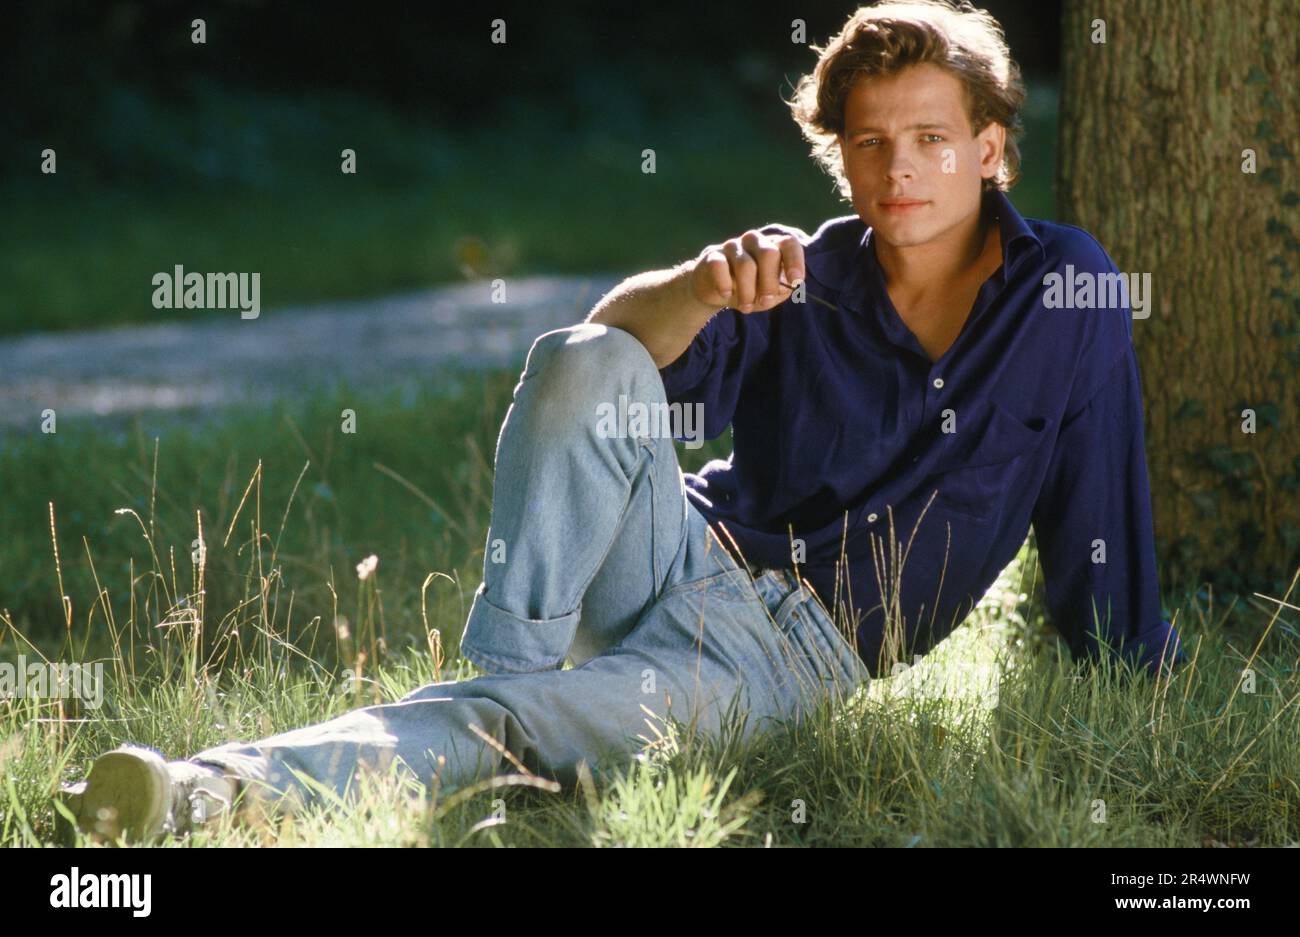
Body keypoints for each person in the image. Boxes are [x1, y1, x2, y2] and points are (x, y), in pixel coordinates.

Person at [60, 0, 1185, 844]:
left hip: (788, 653)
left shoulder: (1060, 292)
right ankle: (507, 665)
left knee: (528, 729)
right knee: (585, 357)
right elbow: (597, 377)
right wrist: (701, 282)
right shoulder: (801, 273)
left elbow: (1098, 488)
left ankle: (205, 791)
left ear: (990, 149)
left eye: (933, 139)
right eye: (871, 141)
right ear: (837, 155)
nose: (901, 168)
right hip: (668, 550)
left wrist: (1129, 660)